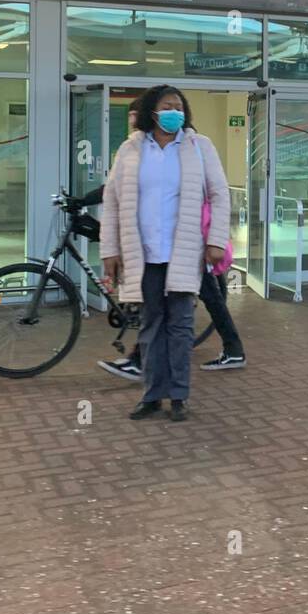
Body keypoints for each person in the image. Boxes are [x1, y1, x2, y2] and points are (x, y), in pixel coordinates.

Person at [100, 85, 230, 422]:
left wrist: (216, 241)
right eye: (167, 106)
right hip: (142, 253)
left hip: (183, 251)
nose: (174, 111)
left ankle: (179, 396)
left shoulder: (198, 146)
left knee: (181, 325)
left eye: (179, 106)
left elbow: (219, 194)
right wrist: (110, 250)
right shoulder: (130, 149)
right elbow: (112, 202)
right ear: (151, 112)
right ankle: (152, 395)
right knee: (150, 325)